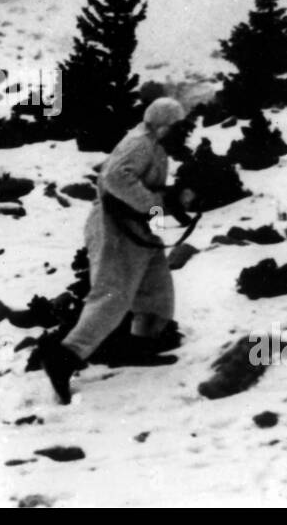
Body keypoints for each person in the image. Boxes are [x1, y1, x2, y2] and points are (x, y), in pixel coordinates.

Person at [40, 97, 194, 404]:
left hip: (136, 229)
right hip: (115, 229)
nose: (183, 133)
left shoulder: (154, 146)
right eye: (177, 126)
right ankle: (65, 357)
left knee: (156, 293)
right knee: (112, 295)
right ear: (163, 125)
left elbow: (138, 184)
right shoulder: (140, 143)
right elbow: (115, 178)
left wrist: (168, 201)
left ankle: (140, 350)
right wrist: (156, 205)